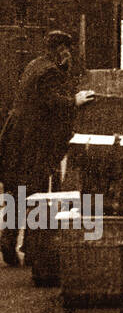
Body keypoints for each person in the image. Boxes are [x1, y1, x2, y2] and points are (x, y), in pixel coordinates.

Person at [0, 30, 94, 265]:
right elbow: (50, 101)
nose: (68, 54)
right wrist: (75, 100)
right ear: (59, 50)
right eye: (66, 50)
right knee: (36, 191)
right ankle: (31, 248)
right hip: (33, 141)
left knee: (17, 190)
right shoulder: (50, 71)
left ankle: (10, 240)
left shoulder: (35, 64)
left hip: (16, 136)